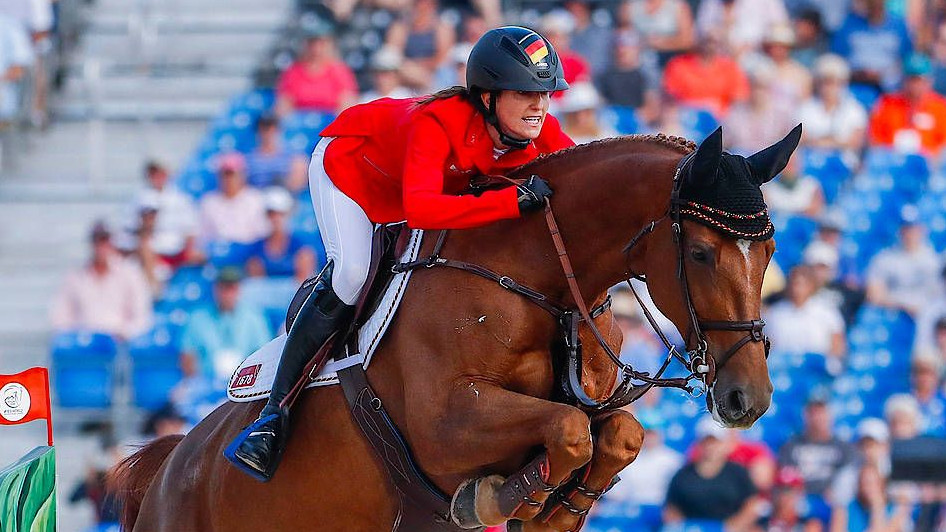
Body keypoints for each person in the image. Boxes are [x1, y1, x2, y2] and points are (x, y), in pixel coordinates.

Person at [226, 26, 575, 481]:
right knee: (352, 274)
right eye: (525, 93)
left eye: (545, 93)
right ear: (488, 98)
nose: (540, 105)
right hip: (350, 171)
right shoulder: (437, 123)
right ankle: (273, 416)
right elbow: (423, 210)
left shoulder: (541, 131)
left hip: (409, 188)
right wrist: (510, 202)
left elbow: (582, 174)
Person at [50, 221, 153, 340]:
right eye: (97, 240)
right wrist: (73, 336)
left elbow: (142, 316)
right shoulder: (75, 277)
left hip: (120, 342)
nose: (100, 246)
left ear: (112, 242)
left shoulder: (130, 274)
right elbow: (60, 317)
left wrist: (124, 333)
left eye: (104, 240)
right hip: (85, 341)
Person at [664, 416, 759, 530]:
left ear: (724, 444)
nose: (711, 447)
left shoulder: (738, 473)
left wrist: (733, 526)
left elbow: (751, 504)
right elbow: (672, 509)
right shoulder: (683, 475)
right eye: (706, 442)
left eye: (715, 442)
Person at [179, 267, 272, 382]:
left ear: (239, 290)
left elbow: (264, 355)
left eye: (232, 288)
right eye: (223, 288)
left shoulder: (254, 317)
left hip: (245, 382)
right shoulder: (197, 318)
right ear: (215, 290)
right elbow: (188, 356)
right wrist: (198, 382)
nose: (227, 294)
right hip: (206, 382)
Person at [865, 205, 941, 317]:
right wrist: (904, 306)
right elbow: (874, 295)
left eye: (913, 228)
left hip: (928, 316)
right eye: (906, 228)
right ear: (899, 230)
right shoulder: (885, 259)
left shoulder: (934, 260)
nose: (910, 233)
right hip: (893, 316)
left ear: (922, 229)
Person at [778, 394, 857, 502]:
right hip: (799, 501)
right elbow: (788, 477)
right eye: (813, 412)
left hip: (833, 501)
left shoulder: (844, 448)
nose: (817, 418)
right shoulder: (790, 447)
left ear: (829, 415)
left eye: (821, 412)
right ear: (805, 416)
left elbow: (846, 479)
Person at [662, 27, 750, 118]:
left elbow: (739, 99)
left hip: (721, 120)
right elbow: (669, 98)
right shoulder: (678, 65)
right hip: (687, 119)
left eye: (714, 41)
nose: (710, 45)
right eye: (707, 40)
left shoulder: (730, 68)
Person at [869, 53, 946, 155]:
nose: (914, 85)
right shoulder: (887, 103)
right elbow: (875, 139)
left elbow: (943, 145)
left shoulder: (940, 106)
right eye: (911, 79)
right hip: (891, 159)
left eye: (918, 80)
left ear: (929, 81)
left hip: (928, 160)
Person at [275, 21, 358, 116]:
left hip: (331, 119)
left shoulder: (340, 71)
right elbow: (284, 104)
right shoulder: (293, 72)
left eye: (322, 43)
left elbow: (347, 102)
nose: (316, 49)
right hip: (300, 120)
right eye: (312, 43)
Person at [831, 0, 913, 95]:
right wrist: (857, 74)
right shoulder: (849, 24)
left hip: (891, 88)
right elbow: (837, 58)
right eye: (872, 2)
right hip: (854, 86)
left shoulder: (899, 25)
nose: (875, 5)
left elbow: (907, 59)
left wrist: (884, 74)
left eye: (878, 3)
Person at [130, 160, 202, 266]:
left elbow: (191, 231)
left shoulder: (181, 198)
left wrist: (188, 250)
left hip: (177, 249)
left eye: (160, 173)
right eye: (153, 173)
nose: (157, 177)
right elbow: (135, 229)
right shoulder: (141, 198)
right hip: (153, 250)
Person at [766, 265, 846, 361]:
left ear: (811, 285)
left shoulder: (827, 312)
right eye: (793, 283)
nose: (796, 289)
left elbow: (838, 346)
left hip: (818, 366)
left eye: (800, 284)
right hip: (784, 365)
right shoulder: (775, 313)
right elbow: (769, 346)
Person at [798, 54, 868, 162]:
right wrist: (836, 142)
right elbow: (801, 138)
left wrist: (822, 142)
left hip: (845, 164)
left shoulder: (855, 110)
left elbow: (855, 142)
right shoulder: (806, 108)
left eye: (835, 82)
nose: (830, 88)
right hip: (812, 162)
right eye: (826, 82)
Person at [723, 59, 799, 154]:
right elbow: (724, 143)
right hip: (740, 159)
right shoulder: (736, 111)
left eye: (763, 87)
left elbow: (791, 147)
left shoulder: (782, 114)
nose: (759, 92)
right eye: (756, 86)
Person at [245, 187, 317, 282]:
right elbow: (257, 283)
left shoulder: (301, 247)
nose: (276, 219)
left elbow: (303, 280)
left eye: (280, 214)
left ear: (288, 214)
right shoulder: (256, 249)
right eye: (272, 214)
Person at [198, 152, 269, 245]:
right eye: (224, 174)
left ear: (242, 175)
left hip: (249, 250)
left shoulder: (256, 199)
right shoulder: (208, 201)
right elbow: (203, 237)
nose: (228, 179)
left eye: (231, 174)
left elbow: (263, 234)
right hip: (219, 251)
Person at [695, 0, 790, 60]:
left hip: (757, 55)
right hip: (718, 56)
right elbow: (701, 32)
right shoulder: (711, 3)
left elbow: (780, 30)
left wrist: (752, 45)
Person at [595, 30, 659, 115]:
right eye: (619, 47)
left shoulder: (646, 75)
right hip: (611, 118)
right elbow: (600, 103)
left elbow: (652, 108)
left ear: (636, 49)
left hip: (638, 119)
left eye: (627, 47)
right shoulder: (604, 76)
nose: (622, 51)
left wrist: (633, 117)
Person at [245, 115, 309, 192]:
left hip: (285, 194)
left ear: (278, 131)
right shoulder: (249, 158)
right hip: (257, 195)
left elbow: (297, 184)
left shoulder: (292, 156)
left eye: (271, 129)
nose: (268, 133)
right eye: (264, 129)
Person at [621, 0, 696, 66]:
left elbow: (688, 42)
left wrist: (660, 43)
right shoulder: (630, 6)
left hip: (671, 63)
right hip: (639, 65)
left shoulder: (677, 5)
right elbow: (622, 37)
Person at [758, 466, 824, 532]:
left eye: (789, 490)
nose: (784, 497)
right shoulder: (762, 523)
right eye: (780, 490)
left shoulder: (809, 524)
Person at [760, 152, 825, 217]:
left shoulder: (811, 184)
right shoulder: (767, 189)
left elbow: (815, 211)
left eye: (793, 163)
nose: (790, 167)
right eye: (786, 164)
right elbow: (765, 214)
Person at [909, 352, 946, 436]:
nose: (923, 377)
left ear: (937, 376)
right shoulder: (903, 403)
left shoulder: (944, 402)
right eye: (919, 372)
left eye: (928, 373)